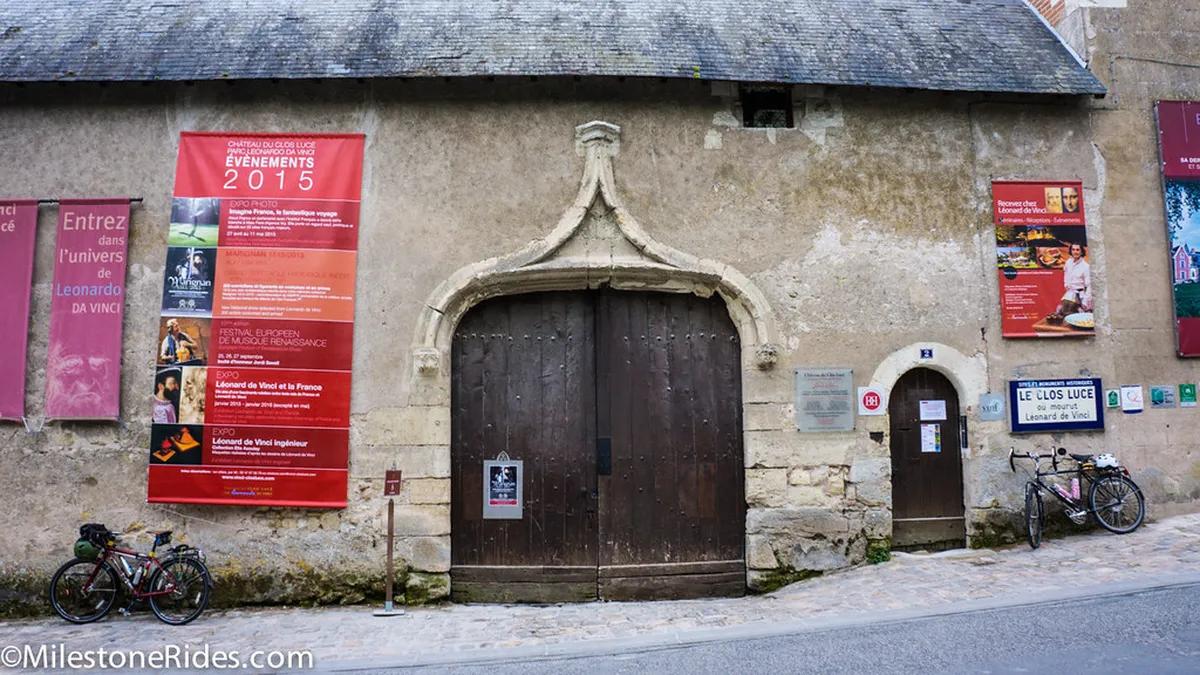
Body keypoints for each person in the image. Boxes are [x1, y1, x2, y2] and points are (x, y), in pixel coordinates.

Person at [1055, 243, 1092, 315]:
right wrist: (1066, 284)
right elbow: (1066, 274)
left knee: (1072, 313)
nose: (1075, 252)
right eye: (1073, 249)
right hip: (1069, 294)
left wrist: (1085, 301)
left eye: (1077, 250)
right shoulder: (1068, 262)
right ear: (1071, 251)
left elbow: (1089, 285)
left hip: (1080, 296)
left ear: (1082, 252)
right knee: (1061, 311)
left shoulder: (1085, 267)